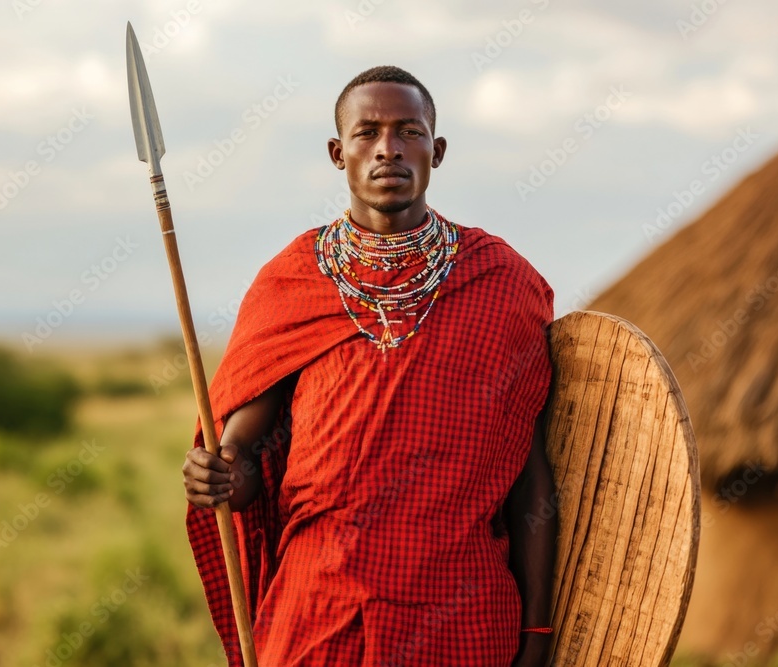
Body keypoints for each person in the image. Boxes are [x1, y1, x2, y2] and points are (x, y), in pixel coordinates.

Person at [182, 65, 557, 667]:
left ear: (436, 150)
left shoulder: (502, 284)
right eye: (368, 132)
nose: (389, 149)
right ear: (338, 152)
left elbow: (530, 475)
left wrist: (537, 636)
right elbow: (244, 459)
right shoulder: (292, 281)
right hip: (319, 610)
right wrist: (218, 479)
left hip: (459, 615)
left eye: (409, 132)